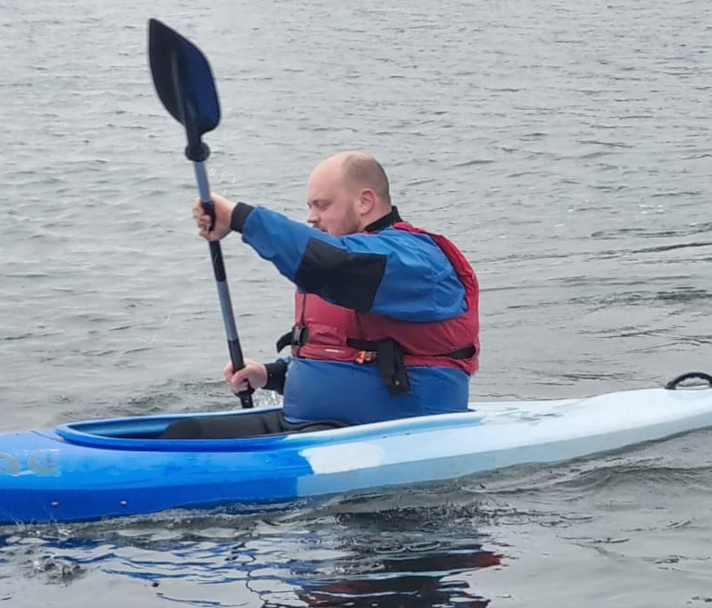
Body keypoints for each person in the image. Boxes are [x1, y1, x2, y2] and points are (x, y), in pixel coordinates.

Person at [161, 151, 479, 439]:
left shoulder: (413, 261)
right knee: (184, 433)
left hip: (380, 433)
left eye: (322, 205)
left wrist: (240, 218)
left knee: (181, 449)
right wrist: (269, 375)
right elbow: (347, 358)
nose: (311, 217)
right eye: (309, 206)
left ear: (365, 202)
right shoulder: (347, 258)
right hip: (315, 428)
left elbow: (330, 262)